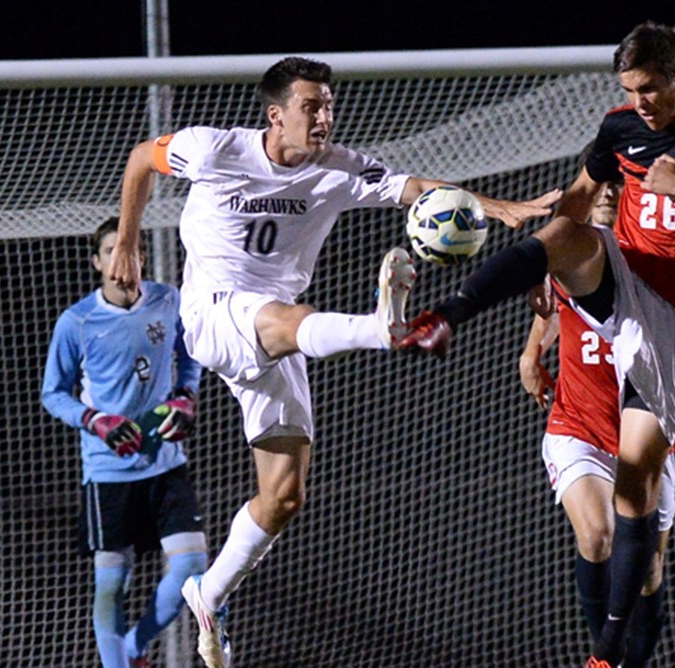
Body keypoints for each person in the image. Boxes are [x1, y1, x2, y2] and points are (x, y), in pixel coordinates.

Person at [108, 56, 560, 668]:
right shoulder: (212, 150)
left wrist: (498, 207)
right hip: (215, 314)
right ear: (276, 115)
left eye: (328, 104)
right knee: (284, 316)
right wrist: (131, 242)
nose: (324, 116)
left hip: (280, 335)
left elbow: (417, 190)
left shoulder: (339, 168)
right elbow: (142, 157)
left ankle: (208, 593)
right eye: (310, 106)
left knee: (285, 496)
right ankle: (380, 329)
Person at [401, 22, 675, 668]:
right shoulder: (622, 129)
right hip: (620, 272)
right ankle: (449, 314)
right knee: (566, 236)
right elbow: (580, 198)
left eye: (650, 89)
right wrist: (546, 267)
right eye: (630, 90)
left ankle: (610, 652)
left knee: (635, 493)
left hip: (674, 316)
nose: (640, 103)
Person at [518, 177, 675, 668]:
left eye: (619, 186)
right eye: (600, 185)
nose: (608, 193)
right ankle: (601, 656)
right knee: (597, 535)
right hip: (577, 428)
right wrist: (530, 354)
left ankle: (636, 663)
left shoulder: (657, 258)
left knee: (649, 569)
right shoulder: (572, 249)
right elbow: (550, 305)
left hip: (644, 434)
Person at [42, 217, 207, 668]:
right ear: (97, 261)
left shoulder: (166, 300)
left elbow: (190, 354)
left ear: (142, 256)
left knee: (194, 568)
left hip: (166, 461)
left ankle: (132, 648)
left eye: (130, 248)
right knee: (112, 584)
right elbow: (53, 394)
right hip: (108, 471)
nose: (123, 259)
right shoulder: (76, 322)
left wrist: (185, 397)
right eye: (113, 250)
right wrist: (95, 420)